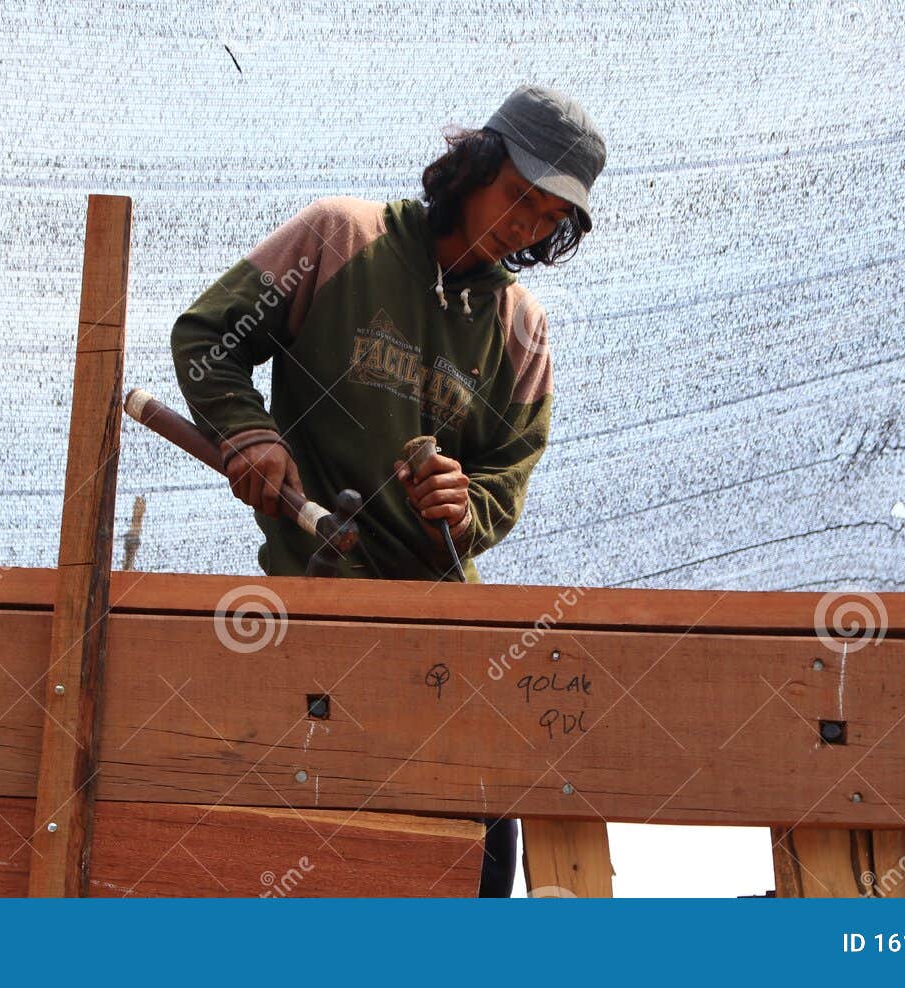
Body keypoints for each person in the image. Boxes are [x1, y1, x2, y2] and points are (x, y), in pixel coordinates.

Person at [171, 84, 606, 897]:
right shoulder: (341, 238)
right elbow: (206, 339)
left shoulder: (522, 329)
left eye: (550, 219)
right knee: (298, 859)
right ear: (476, 164)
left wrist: (462, 505)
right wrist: (249, 432)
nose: (526, 227)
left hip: (441, 633)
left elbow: (507, 477)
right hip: (314, 607)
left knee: (478, 862)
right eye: (520, 196)